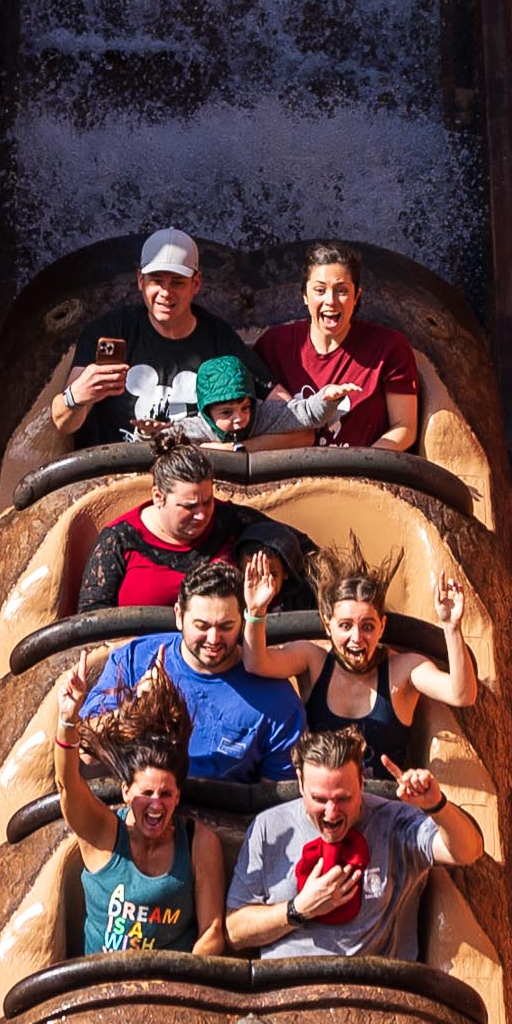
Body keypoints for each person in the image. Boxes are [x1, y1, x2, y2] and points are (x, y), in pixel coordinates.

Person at [223, 725, 484, 962]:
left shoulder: (395, 822)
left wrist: (437, 806)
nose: (331, 813)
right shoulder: (268, 828)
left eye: (343, 798)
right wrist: (298, 909)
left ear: (361, 781)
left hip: (370, 991)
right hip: (289, 990)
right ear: (301, 783)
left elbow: (467, 851)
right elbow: (235, 933)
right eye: (320, 799)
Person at [241, 534, 474, 782]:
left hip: (378, 808)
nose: (357, 637)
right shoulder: (313, 660)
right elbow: (257, 663)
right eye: (345, 626)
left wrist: (451, 627)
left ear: (382, 627)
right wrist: (256, 612)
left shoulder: (403, 669)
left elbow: (462, 694)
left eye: (368, 627)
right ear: (327, 625)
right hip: (323, 803)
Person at [54, 656, 227, 957]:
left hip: (168, 988)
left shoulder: (199, 843)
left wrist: (176, 983)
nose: (156, 804)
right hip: (102, 986)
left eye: (166, 794)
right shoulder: (104, 833)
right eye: (146, 793)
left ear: (177, 797)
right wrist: (67, 721)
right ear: (126, 792)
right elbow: (67, 784)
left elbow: (212, 932)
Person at [85, 562, 306, 784]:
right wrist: (133, 708)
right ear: (179, 616)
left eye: (226, 627)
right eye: (201, 626)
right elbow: (85, 751)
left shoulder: (277, 699)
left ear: (242, 620)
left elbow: (278, 800)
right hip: (146, 807)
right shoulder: (135, 660)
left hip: (225, 812)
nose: (213, 639)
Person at [51, 229, 264, 447]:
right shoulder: (108, 331)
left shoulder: (220, 339)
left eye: (177, 282)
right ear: (140, 280)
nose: (165, 292)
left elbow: (281, 409)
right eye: (156, 280)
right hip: (116, 471)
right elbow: (63, 423)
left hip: (191, 472)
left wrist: (234, 449)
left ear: (196, 283)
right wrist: (76, 397)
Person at [76, 423, 307, 616]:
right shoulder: (118, 540)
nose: (202, 514)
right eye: (188, 506)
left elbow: (302, 548)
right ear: (158, 496)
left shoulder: (230, 520)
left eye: (208, 501)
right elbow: (93, 619)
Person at [254, 245, 421, 451]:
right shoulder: (274, 345)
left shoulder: (389, 347)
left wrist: (364, 465)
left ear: (356, 296)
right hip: (289, 477)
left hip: (363, 475)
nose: (330, 301)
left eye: (341, 290)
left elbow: (404, 427)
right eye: (320, 290)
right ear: (305, 295)